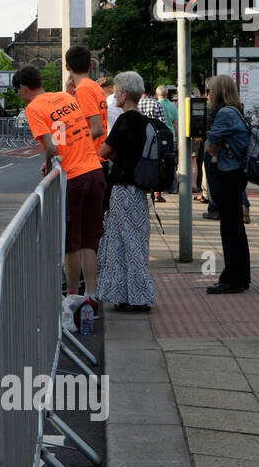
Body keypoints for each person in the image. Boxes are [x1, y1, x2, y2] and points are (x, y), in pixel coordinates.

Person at [14, 64, 105, 319]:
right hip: (95, 170)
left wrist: (46, 161)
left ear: (23, 88)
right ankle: (91, 297)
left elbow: (52, 147)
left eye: (18, 91)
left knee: (71, 243)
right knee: (89, 240)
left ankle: (72, 301)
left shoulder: (34, 108)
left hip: (74, 177)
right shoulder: (66, 97)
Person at [96, 72, 157, 312]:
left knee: (124, 242)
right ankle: (128, 294)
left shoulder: (125, 120)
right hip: (139, 188)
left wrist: (114, 154)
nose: (114, 94)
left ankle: (138, 296)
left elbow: (104, 150)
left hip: (123, 186)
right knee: (133, 240)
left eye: (116, 90)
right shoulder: (143, 120)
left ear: (124, 93)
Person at [203, 74, 251, 294]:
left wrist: (211, 148)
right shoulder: (236, 111)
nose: (208, 94)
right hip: (236, 173)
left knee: (230, 228)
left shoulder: (224, 113)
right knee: (236, 228)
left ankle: (231, 278)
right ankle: (241, 276)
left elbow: (210, 146)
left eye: (210, 90)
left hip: (228, 174)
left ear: (219, 91)